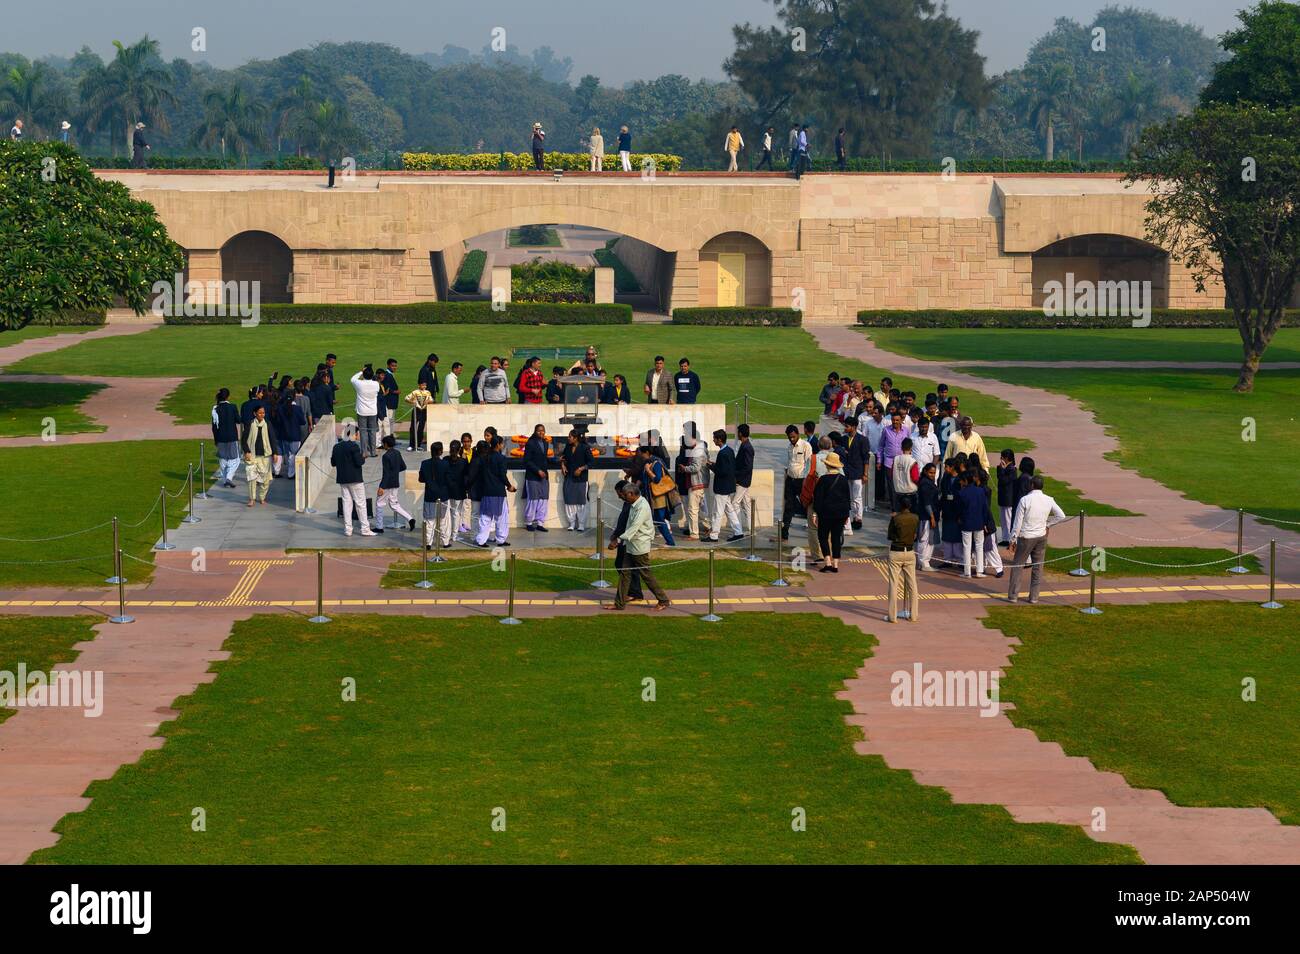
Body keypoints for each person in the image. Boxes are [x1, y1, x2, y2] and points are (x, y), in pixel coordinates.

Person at [605, 483, 671, 612]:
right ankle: (619, 604)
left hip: (640, 546)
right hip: (630, 545)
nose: (622, 497)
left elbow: (634, 528)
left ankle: (663, 600)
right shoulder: (633, 504)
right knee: (625, 574)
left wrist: (617, 540)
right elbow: (628, 526)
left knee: (646, 575)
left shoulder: (642, 507)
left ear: (631, 494)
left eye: (624, 495)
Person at [1007, 476, 1067, 603]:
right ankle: (1034, 597)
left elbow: (1017, 523)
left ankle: (1013, 595)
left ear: (1032, 485)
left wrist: (1012, 539)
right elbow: (1061, 515)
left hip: (1026, 537)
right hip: (1041, 536)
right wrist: (1047, 524)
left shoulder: (1025, 500)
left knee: (1018, 566)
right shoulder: (1049, 499)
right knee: (1038, 567)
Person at [811, 452, 850, 573]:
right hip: (840, 513)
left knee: (823, 537)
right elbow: (847, 498)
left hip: (825, 513)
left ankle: (827, 562)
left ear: (827, 465)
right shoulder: (843, 479)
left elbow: (818, 498)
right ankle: (836, 564)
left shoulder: (823, 479)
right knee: (836, 538)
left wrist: (815, 513)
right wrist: (847, 515)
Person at [331, 426, 372, 536]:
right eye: (357, 434)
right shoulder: (354, 446)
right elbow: (359, 462)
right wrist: (363, 457)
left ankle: (348, 529)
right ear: (353, 434)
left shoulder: (336, 446)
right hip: (355, 479)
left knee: (347, 504)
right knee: (360, 504)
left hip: (342, 479)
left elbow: (333, 463)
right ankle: (365, 529)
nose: (357, 436)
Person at [475, 436, 515, 547]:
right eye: (502, 444)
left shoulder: (484, 458)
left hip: (487, 491)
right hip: (498, 492)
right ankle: (501, 539)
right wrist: (509, 486)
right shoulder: (501, 458)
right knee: (501, 517)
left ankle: (481, 540)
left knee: (485, 517)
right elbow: (502, 475)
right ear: (498, 445)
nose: (502, 446)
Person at [886, 496, 920, 622]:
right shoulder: (915, 517)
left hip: (896, 551)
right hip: (910, 552)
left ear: (900, 506)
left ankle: (892, 616)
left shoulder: (896, 518)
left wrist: (893, 518)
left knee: (893, 584)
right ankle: (914, 615)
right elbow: (915, 535)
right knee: (912, 584)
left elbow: (890, 536)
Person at [609, 480, 644, 602]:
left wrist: (617, 540)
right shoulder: (628, 503)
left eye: (619, 493)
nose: (619, 496)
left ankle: (633, 593)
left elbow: (631, 526)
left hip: (629, 540)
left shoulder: (636, 505)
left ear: (627, 492)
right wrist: (615, 534)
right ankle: (633, 593)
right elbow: (622, 521)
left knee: (628, 567)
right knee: (624, 565)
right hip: (623, 539)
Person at [707, 429, 743, 542]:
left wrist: (710, 466)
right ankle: (738, 531)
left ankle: (714, 535)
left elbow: (722, 471)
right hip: (728, 486)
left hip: (722, 488)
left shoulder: (722, 454)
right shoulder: (729, 451)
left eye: (714, 438)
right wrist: (714, 464)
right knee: (729, 510)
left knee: (717, 512)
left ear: (719, 440)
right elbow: (727, 468)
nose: (713, 440)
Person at [241, 405, 280, 506]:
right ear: (255, 413)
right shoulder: (250, 424)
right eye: (260, 413)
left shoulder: (268, 424)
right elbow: (243, 440)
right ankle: (252, 499)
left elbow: (272, 439)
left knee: (265, 479)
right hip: (252, 456)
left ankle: (262, 497)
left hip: (265, 456)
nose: (262, 415)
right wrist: (247, 451)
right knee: (252, 478)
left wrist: (275, 453)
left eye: (263, 413)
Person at [676, 426, 710, 539]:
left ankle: (694, 534)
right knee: (698, 510)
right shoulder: (699, 448)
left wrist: (684, 468)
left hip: (696, 484)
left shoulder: (697, 450)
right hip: (697, 483)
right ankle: (708, 527)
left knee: (693, 510)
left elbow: (696, 467)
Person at [639, 446, 676, 546]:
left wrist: (648, 471)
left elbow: (657, 479)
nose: (641, 456)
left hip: (658, 497)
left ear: (647, 452)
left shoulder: (656, 463)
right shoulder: (648, 463)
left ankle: (670, 542)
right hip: (651, 496)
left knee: (659, 520)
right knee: (656, 520)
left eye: (641, 453)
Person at [780, 424, 812, 541]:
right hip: (790, 480)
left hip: (802, 480)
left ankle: (815, 531)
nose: (792, 439)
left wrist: (806, 480)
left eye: (793, 437)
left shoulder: (805, 445)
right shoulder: (789, 447)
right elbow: (789, 462)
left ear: (798, 434)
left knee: (807, 505)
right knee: (788, 507)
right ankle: (784, 534)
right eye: (790, 437)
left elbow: (809, 463)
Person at [418, 442, 452, 549]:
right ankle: (445, 542)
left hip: (430, 495)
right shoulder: (445, 464)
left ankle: (428, 543)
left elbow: (421, 479)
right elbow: (448, 480)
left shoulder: (424, 463)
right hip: (443, 495)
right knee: (444, 520)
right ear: (441, 451)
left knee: (429, 520)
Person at [377, 435, 414, 532]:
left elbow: (386, 473)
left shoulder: (386, 456)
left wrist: (381, 487)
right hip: (395, 483)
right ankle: (410, 519)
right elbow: (403, 466)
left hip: (387, 484)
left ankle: (379, 527)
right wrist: (394, 472)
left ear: (386, 444)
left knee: (379, 503)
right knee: (394, 504)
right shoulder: (397, 452)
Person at [840, 416, 870, 530]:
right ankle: (853, 518)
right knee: (850, 497)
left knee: (857, 497)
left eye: (847, 426)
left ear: (854, 427)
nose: (845, 428)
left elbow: (866, 458)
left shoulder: (862, 440)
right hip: (847, 472)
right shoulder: (844, 439)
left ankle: (859, 518)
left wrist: (865, 474)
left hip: (858, 472)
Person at [560, 430, 593, 531]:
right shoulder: (568, 447)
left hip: (581, 479)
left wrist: (581, 469)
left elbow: (591, 462)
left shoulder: (585, 447)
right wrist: (563, 466)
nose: (568, 438)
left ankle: (581, 524)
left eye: (570, 437)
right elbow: (563, 458)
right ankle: (572, 523)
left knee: (581, 501)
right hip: (569, 478)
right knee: (569, 500)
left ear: (575, 438)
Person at [956, 470, 987, 578]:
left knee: (966, 547)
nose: (960, 482)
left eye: (961, 480)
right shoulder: (980, 491)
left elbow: (959, 509)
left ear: (965, 481)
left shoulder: (961, 493)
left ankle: (967, 572)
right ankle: (979, 571)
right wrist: (984, 522)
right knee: (979, 546)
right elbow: (984, 508)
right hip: (979, 522)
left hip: (966, 523)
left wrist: (959, 518)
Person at [211, 389, 241, 488]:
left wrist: (216, 439)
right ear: (228, 396)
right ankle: (228, 477)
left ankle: (225, 480)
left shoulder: (215, 409)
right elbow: (238, 420)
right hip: (232, 437)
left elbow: (214, 427)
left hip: (220, 437)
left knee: (223, 459)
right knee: (235, 459)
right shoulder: (232, 407)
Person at [523, 424, 551, 532]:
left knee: (543, 499)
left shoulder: (545, 443)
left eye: (543, 430)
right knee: (533, 500)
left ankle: (540, 523)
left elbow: (544, 459)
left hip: (544, 476)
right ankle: (529, 522)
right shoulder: (530, 443)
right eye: (539, 431)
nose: (541, 432)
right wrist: (538, 470)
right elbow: (527, 461)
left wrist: (557, 461)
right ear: (535, 432)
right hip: (533, 476)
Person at [914, 462, 940, 572]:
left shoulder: (928, 482)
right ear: (925, 471)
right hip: (927, 517)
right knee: (924, 539)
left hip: (929, 515)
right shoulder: (925, 484)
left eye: (934, 473)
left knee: (929, 539)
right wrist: (932, 516)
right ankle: (923, 562)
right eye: (930, 473)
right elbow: (927, 502)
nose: (932, 475)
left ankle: (924, 562)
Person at [352, 366, 381, 458]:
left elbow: (353, 379)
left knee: (363, 431)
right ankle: (373, 451)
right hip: (372, 411)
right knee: (372, 431)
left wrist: (361, 372)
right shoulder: (376, 384)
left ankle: (364, 452)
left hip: (362, 411)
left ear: (364, 375)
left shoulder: (359, 383)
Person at [732, 423, 755, 535]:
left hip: (742, 481)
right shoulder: (744, 445)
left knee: (735, 503)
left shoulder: (747, 447)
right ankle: (751, 529)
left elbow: (747, 467)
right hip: (744, 480)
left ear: (740, 433)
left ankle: (738, 530)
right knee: (746, 505)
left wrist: (737, 476)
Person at [445, 441, 469, 539]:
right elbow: (466, 477)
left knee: (448, 514)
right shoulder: (463, 461)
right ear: (459, 450)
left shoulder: (445, 459)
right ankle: (454, 535)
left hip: (447, 490)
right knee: (456, 513)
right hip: (459, 491)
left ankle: (447, 534)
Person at [891, 437, 919, 516]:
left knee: (897, 516)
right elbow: (915, 478)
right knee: (912, 516)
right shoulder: (912, 461)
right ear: (911, 448)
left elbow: (891, 473)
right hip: (910, 494)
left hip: (898, 493)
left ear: (901, 447)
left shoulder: (896, 459)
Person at [996, 449, 1018, 545]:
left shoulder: (1012, 469)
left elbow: (1004, 480)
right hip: (1003, 497)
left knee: (1008, 519)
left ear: (1007, 458)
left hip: (1008, 498)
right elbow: (999, 477)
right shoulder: (1004, 468)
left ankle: (1009, 539)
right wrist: (1001, 468)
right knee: (1003, 519)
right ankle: (1005, 538)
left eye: (1002, 457)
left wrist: (1002, 469)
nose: (1001, 459)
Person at [404, 378, 433, 451]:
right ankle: (411, 445)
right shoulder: (415, 392)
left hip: (424, 411)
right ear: (419, 385)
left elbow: (431, 400)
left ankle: (418, 444)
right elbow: (406, 398)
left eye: (425, 385)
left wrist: (428, 402)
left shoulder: (428, 392)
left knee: (421, 428)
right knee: (413, 427)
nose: (424, 386)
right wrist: (412, 402)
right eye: (423, 385)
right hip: (416, 410)